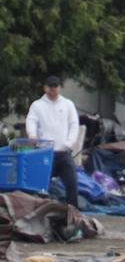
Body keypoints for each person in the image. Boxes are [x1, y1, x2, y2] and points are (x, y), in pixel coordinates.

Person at [25, 76, 80, 209]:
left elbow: (74, 124)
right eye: (50, 87)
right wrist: (32, 134)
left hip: (63, 152)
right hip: (44, 153)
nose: (53, 89)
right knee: (40, 186)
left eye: (55, 86)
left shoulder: (68, 104)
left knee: (72, 182)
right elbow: (31, 120)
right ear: (45, 88)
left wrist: (69, 143)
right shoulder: (37, 105)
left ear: (59, 88)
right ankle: (38, 211)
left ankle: (73, 212)